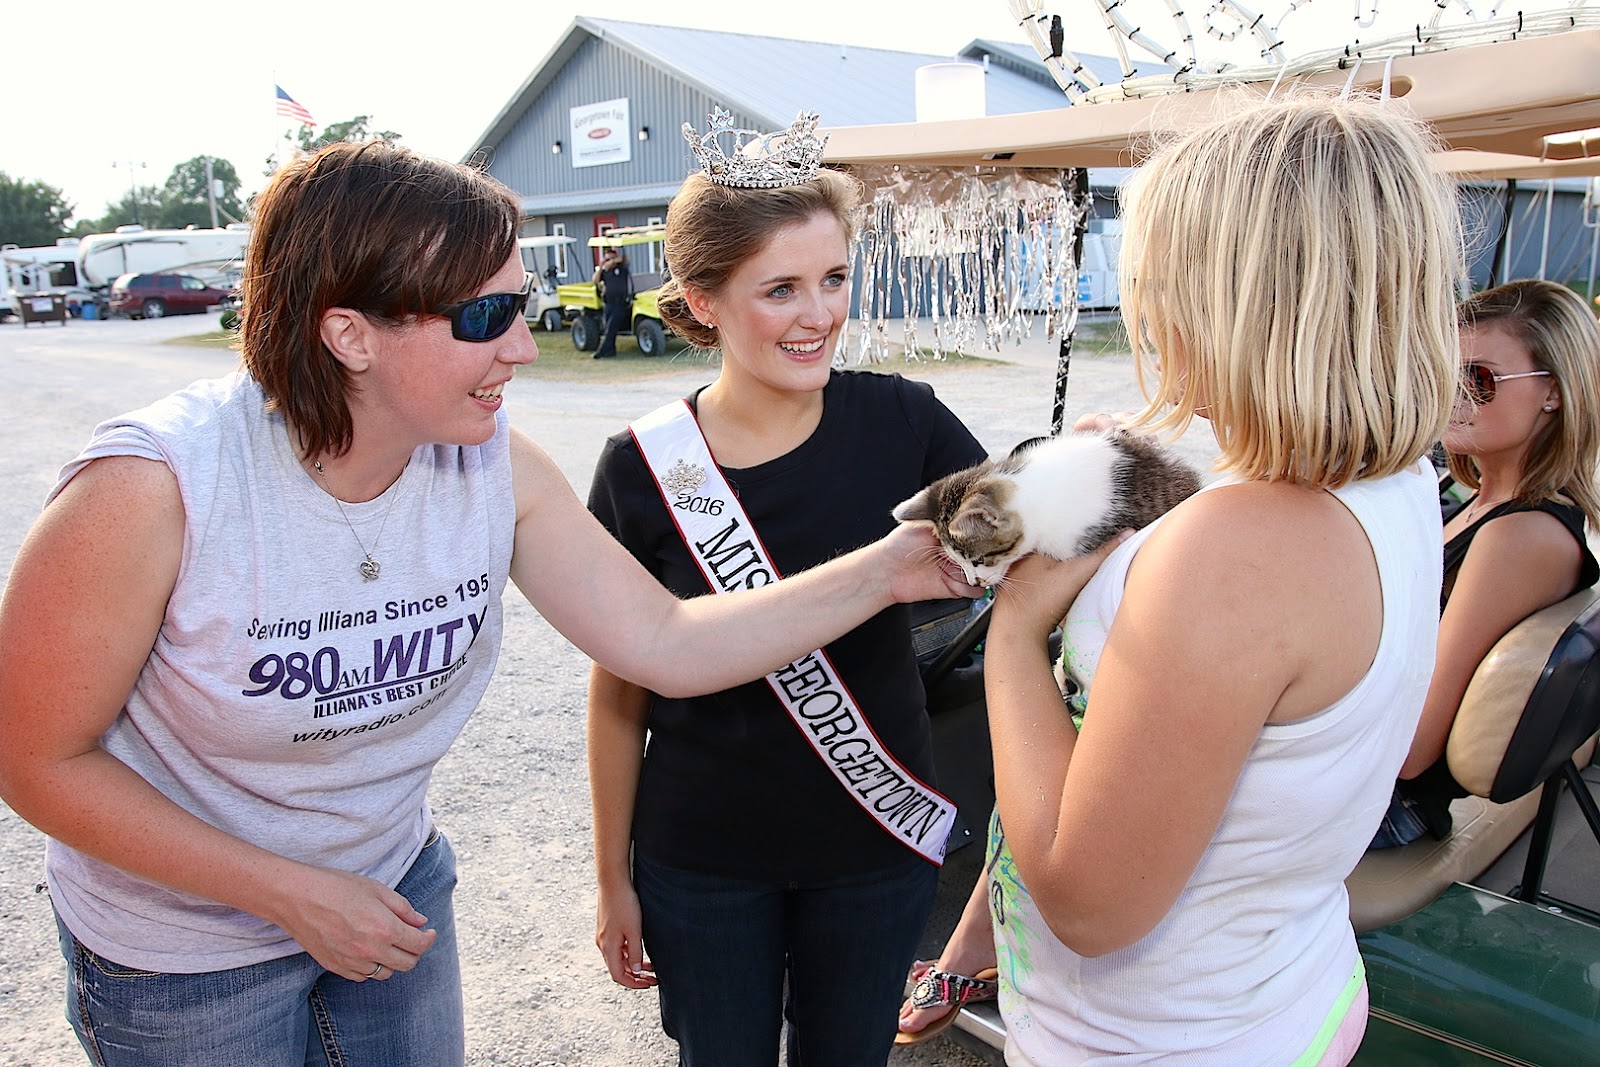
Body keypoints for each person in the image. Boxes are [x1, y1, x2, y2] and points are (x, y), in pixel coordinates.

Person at [0, 139, 976, 1067]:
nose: (522, 346)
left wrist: (886, 569)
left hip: (388, 896)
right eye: (480, 318)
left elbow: (662, 641)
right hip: (186, 949)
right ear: (349, 334)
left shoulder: (494, 465)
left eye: (520, 305)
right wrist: (288, 893)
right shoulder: (153, 485)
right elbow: (35, 757)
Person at [898, 93, 1463, 1065]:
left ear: (1238, 297)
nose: (1151, 312)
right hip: (1282, 992)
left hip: (1157, 1040)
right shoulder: (1392, 481)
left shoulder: (1237, 549)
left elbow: (1088, 899)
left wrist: (1016, 636)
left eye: (1164, 281)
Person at [584, 112, 988, 1067]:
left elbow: (1026, 547)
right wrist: (612, 880)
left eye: (835, 279)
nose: (820, 314)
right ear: (704, 298)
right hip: (705, 860)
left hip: (874, 846)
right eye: (781, 289)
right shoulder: (645, 469)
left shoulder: (905, 421)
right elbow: (615, 693)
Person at [1372, 278, 1600, 847]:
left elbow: (1414, 746)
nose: (1452, 395)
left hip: (1383, 803)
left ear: (1554, 391)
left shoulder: (1520, 536)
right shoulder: (1479, 501)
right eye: (1441, 372)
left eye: (1478, 378)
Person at [592, 246, 632, 359]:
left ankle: (601, 352)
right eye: (607, 259)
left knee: (611, 328)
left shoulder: (622, 268)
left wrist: (613, 261)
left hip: (620, 303)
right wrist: (601, 266)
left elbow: (627, 259)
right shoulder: (605, 272)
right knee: (608, 329)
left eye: (611, 259)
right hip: (608, 303)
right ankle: (611, 351)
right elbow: (595, 280)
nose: (609, 262)